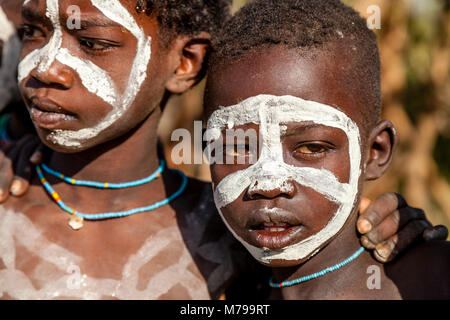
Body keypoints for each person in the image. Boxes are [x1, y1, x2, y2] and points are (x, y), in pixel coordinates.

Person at [0, 0, 446, 300]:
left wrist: (383, 239)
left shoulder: (232, 242)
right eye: (33, 32)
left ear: (187, 61)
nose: (48, 67)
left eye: (94, 43)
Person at [203, 0, 450, 299]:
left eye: (311, 147)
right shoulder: (223, 281)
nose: (268, 184)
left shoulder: (429, 281)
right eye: (238, 148)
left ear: (375, 152)